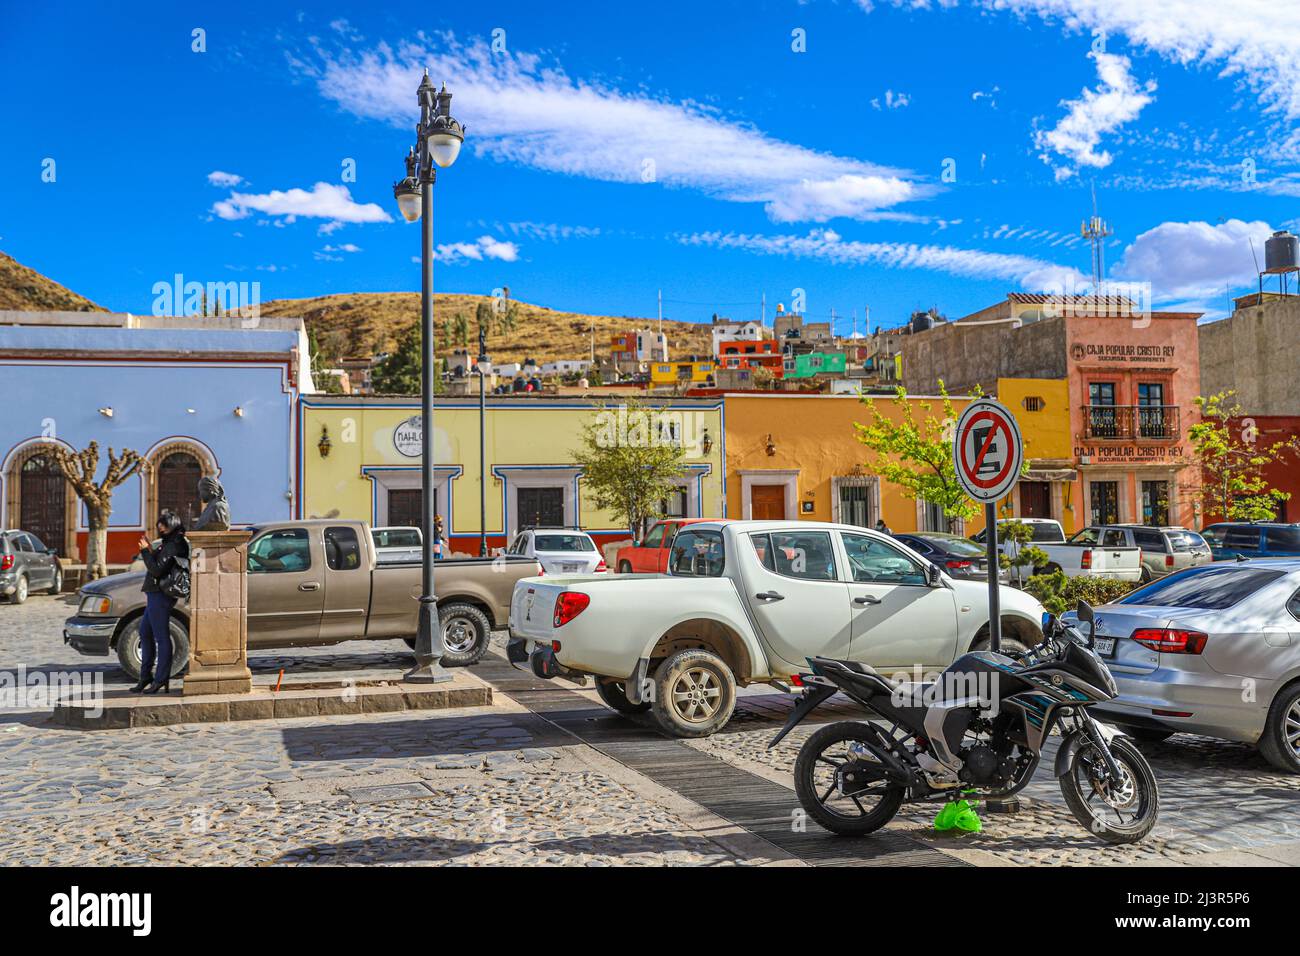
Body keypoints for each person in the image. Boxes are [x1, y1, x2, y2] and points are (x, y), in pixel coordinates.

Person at [134, 510, 190, 694]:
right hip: (155, 593)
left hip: (161, 594)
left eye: (164, 527)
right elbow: (160, 563)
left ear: (172, 526)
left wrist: (144, 552)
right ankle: (146, 677)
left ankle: (161, 678)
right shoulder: (169, 542)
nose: (161, 530)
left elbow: (157, 570)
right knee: (145, 632)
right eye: (160, 527)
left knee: (161, 637)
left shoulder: (175, 543)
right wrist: (151, 551)